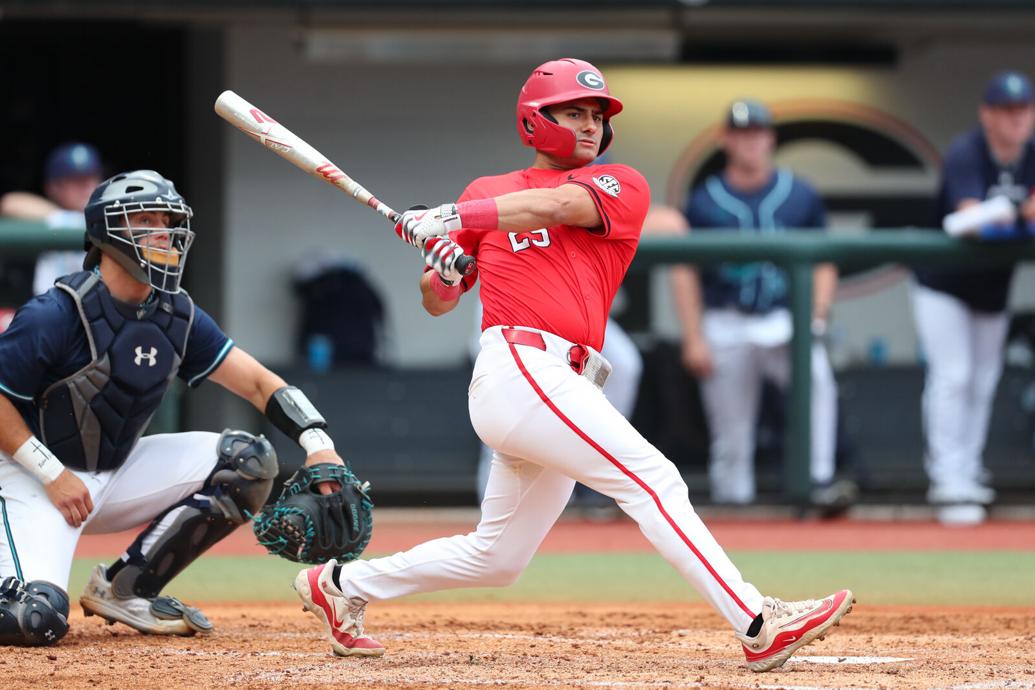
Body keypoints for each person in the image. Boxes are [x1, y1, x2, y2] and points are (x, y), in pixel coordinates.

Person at [292, 59, 853, 673]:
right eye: (573, 112)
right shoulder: (485, 192)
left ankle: (342, 585)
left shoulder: (619, 184)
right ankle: (756, 622)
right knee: (654, 479)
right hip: (519, 366)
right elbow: (437, 301)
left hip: (561, 378)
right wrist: (447, 271)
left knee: (497, 557)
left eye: (595, 115)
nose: (588, 125)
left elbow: (553, 206)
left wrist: (455, 218)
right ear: (537, 120)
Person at [0, 170, 350, 646]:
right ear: (108, 233)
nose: (163, 233)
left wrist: (318, 443)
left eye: (168, 222)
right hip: (35, 481)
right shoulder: (55, 313)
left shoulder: (176, 312)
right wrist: (50, 472)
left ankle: (127, 589)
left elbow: (258, 382)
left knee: (247, 462)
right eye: (146, 221)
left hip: (114, 471)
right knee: (35, 619)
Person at [650, 99, 849, 510]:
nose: (750, 141)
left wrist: (818, 315)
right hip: (726, 320)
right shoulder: (704, 200)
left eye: (757, 133)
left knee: (817, 383)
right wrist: (693, 336)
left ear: (770, 138)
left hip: (784, 319)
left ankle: (818, 484)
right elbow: (683, 269)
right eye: (741, 133)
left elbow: (825, 260)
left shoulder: (800, 193)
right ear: (727, 140)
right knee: (732, 432)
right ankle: (733, 505)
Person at [913, 70, 1035, 525]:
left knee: (984, 380)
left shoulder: (1033, 153)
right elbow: (965, 222)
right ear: (988, 115)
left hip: (991, 286)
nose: (1015, 119)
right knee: (955, 375)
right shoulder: (968, 151)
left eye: (1022, 110)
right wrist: (1016, 214)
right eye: (1006, 110)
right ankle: (947, 480)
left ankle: (968, 471)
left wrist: (1010, 217)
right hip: (943, 283)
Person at [0, 142, 104, 295]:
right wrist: (67, 218)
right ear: (53, 186)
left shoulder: (111, 217)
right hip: (50, 307)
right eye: (76, 180)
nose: (87, 186)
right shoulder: (49, 219)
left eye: (91, 177)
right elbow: (9, 203)